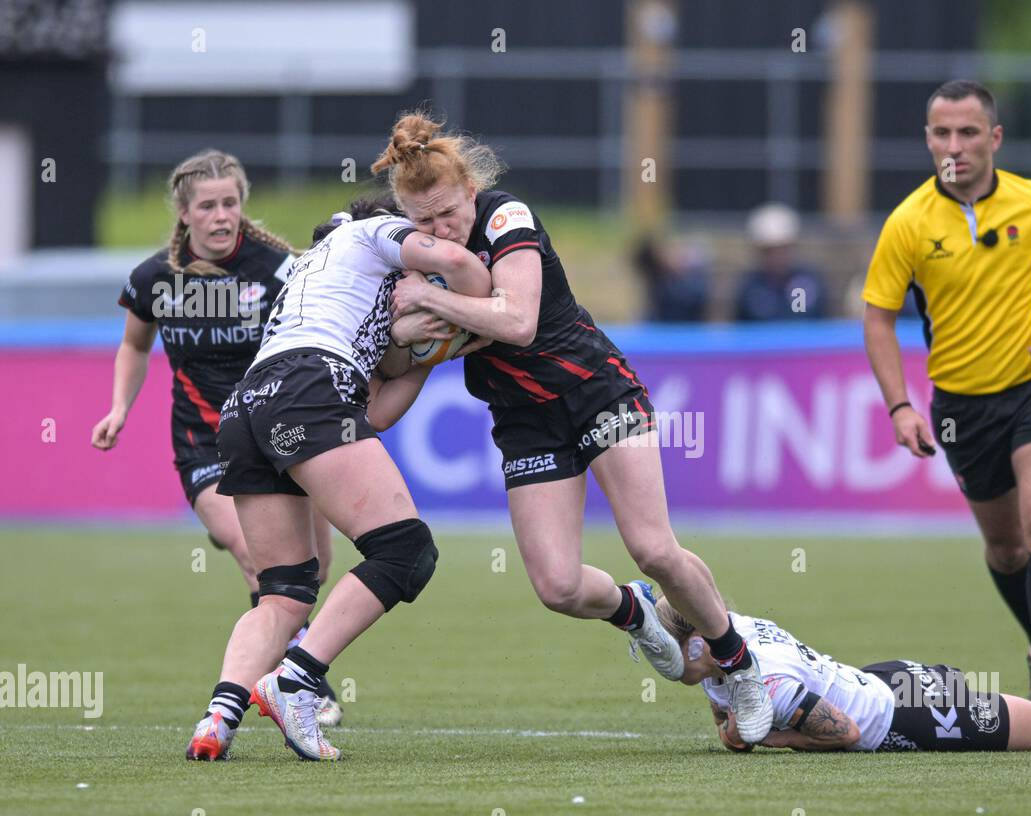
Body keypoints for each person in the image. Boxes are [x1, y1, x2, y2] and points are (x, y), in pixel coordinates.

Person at [377, 111, 775, 744]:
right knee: (557, 586)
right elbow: (401, 360)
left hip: (595, 389)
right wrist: (398, 334)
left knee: (653, 547)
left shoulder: (508, 216)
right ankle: (635, 609)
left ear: (470, 193)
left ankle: (740, 667)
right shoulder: (405, 253)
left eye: (448, 214)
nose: (438, 231)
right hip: (524, 419)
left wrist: (426, 302)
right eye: (421, 223)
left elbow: (518, 322)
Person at [185, 195, 493, 761]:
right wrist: (480, 308)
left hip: (250, 405)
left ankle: (218, 719)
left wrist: (425, 356)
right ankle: (294, 680)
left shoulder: (324, 271)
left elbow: (370, 416)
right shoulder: (379, 233)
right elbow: (468, 269)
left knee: (284, 591)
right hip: (310, 388)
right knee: (405, 551)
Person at [863, 80, 1031, 701]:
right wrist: (899, 406)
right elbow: (878, 319)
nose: (954, 145)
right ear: (926, 139)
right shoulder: (908, 223)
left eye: (968, 132)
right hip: (962, 410)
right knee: (1005, 548)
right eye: (941, 133)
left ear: (994, 137)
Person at [91, 150, 344, 734]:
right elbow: (134, 345)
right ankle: (301, 684)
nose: (221, 215)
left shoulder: (277, 268)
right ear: (184, 213)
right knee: (256, 556)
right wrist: (118, 409)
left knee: (312, 569)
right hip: (204, 444)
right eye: (207, 205)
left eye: (230, 203)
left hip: (280, 435)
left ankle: (284, 667)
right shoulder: (155, 278)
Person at [649, 597, 1031, 755]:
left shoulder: (775, 684)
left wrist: (764, 738)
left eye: (664, 649)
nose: (663, 661)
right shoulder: (728, 633)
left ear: (696, 643)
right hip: (888, 682)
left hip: (911, 712)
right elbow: (730, 701)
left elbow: (838, 734)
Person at [732, 203, 828, 322]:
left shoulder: (808, 282)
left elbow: (813, 323)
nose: (777, 257)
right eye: (769, 251)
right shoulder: (750, 287)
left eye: (782, 249)